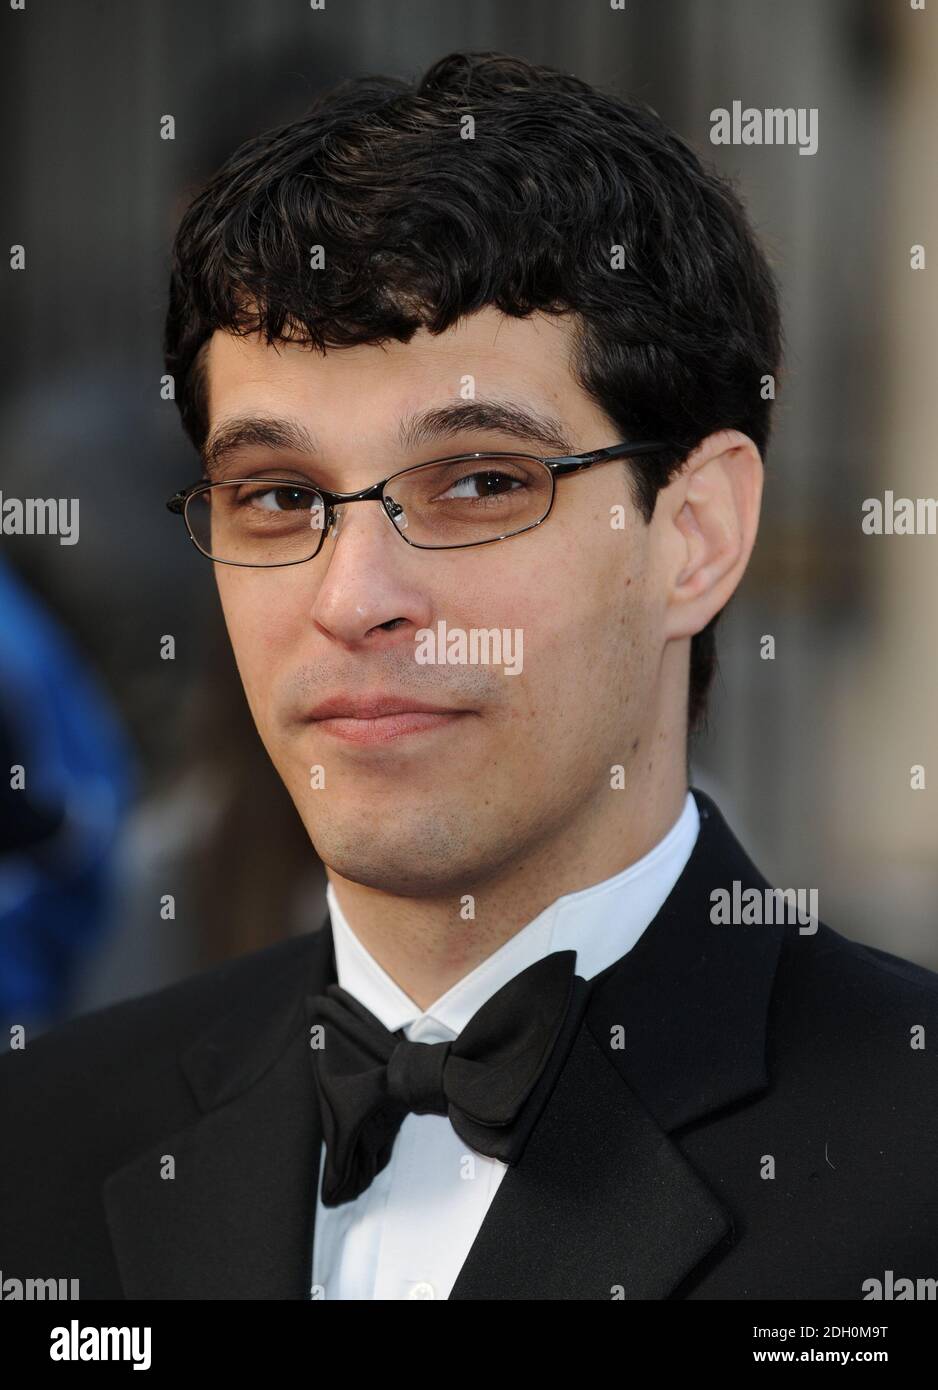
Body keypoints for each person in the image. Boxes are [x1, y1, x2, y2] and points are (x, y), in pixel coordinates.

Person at [2, 50, 936, 1302]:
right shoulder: (40, 1143)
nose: (352, 598)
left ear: (696, 533)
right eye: (278, 497)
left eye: (481, 482)